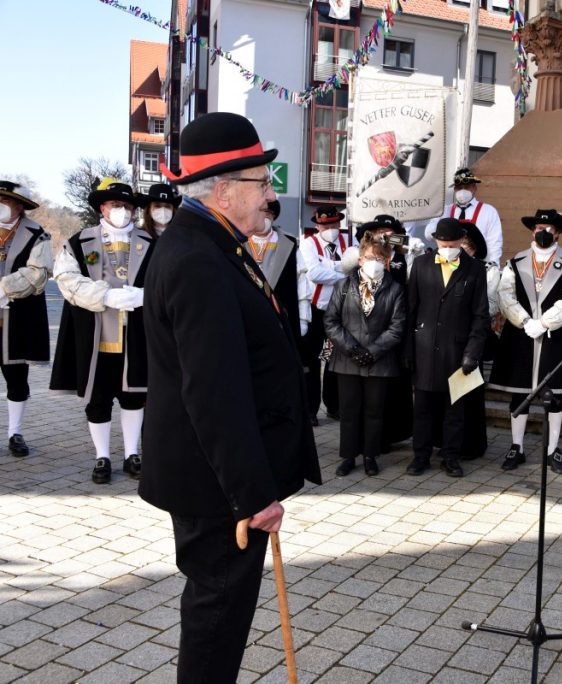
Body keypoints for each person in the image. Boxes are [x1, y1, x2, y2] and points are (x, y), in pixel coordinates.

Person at [139, 112, 321, 682]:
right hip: (218, 488)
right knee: (216, 621)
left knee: (218, 616)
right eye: (261, 183)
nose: (269, 195)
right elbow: (214, 392)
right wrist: (253, 495)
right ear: (222, 190)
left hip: (213, 478)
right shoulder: (198, 258)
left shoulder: (214, 242)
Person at [51, 178, 150, 484]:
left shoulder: (152, 242)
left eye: (126, 206)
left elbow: (171, 280)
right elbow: (65, 278)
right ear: (102, 208)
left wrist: (146, 294)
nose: (121, 211)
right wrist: (102, 296)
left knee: (135, 396)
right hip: (96, 335)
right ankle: (102, 456)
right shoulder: (80, 241)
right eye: (114, 205)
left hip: (137, 336)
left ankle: (133, 454)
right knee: (98, 399)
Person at [489, 209, 562, 475]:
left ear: (557, 232)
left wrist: (544, 323)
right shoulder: (516, 261)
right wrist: (523, 320)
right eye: (538, 227)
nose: (542, 232)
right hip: (520, 336)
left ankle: (552, 450)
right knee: (518, 394)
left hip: (555, 336)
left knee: (553, 396)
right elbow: (504, 293)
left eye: (548, 227)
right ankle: (516, 447)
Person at [405, 217, 490, 478]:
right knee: (423, 409)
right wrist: (408, 351)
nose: (448, 246)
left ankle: (451, 456)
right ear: (436, 241)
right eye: (444, 242)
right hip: (424, 349)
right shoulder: (420, 265)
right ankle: (420, 456)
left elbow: (481, 315)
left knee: (455, 410)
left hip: (458, 350)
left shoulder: (475, 269)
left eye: (453, 243)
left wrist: (472, 353)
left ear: (461, 241)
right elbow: (411, 310)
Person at [324, 238, 406, 476]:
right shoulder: (343, 286)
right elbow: (331, 321)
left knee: (374, 410)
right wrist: (353, 349)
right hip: (347, 359)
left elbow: (397, 327)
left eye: (380, 259)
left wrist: (372, 351)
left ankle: (371, 455)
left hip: (379, 361)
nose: (374, 263)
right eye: (370, 258)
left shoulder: (395, 289)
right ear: (360, 260)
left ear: (387, 261)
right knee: (349, 410)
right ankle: (348, 456)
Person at [0, 181, 52, 457]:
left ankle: (14, 433)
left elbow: (38, 273)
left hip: (17, 317)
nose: (1, 204)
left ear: (19, 206)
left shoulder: (37, 234)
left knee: (17, 378)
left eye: (6, 200)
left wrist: (3, 288)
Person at [299, 205, 347, 425]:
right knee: (312, 360)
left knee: (333, 359)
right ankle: (310, 410)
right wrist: (341, 269)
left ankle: (333, 405)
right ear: (318, 225)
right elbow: (314, 273)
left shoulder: (349, 242)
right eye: (326, 225)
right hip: (316, 311)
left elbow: (356, 269)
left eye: (334, 224)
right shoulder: (309, 243)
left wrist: (328, 265)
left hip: (340, 312)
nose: (331, 228)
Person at [459, 221, 499, 461]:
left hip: (475, 336)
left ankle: (471, 443)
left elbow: (492, 305)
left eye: (465, 246)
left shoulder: (488, 270)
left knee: (471, 391)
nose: (460, 250)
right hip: (448, 338)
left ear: (474, 249)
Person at [246, 199, 312, 344]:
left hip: (283, 319)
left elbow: (302, 283)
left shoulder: (289, 244)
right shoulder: (239, 242)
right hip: (247, 319)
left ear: (274, 216)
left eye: (268, 213)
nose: (264, 217)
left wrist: (303, 319)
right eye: (260, 212)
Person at [425, 168, 503, 265]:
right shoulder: (444, 211)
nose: (462, 190)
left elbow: (494, 243)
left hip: (476, 265)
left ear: (474, 188)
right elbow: (428, 235)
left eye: (466, 187)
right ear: (454, 189)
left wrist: (494, 265)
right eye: (459, 187)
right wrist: (440, 218)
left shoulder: (489, 211)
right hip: (448, 263)